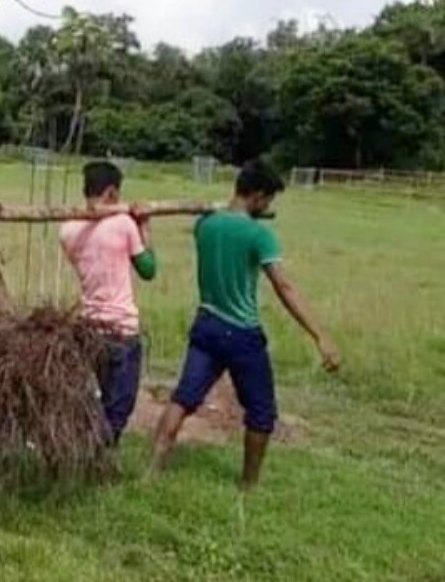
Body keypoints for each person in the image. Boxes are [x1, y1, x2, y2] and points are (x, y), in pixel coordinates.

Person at [149, 160, 341, 489]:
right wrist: (319, 335)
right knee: (261, 413)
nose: (267, 207)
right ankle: (248, 486)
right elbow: (285, 288)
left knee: (183, 399)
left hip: (206, 325)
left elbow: (221, 221)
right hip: (242, 334)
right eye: (267, 200)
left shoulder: (205, 225)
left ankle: (152, 471)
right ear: (256, 195)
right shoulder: (258, 235)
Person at [58, 161, 156, 446]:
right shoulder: (124, 224)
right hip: (122, 329)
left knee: (93, 398)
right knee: (118, 408)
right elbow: (148, 270)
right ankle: (97, 459)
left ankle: (87, 450)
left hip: (89, 327)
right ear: (112, 193)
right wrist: (145, 227)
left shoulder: (68, 230)